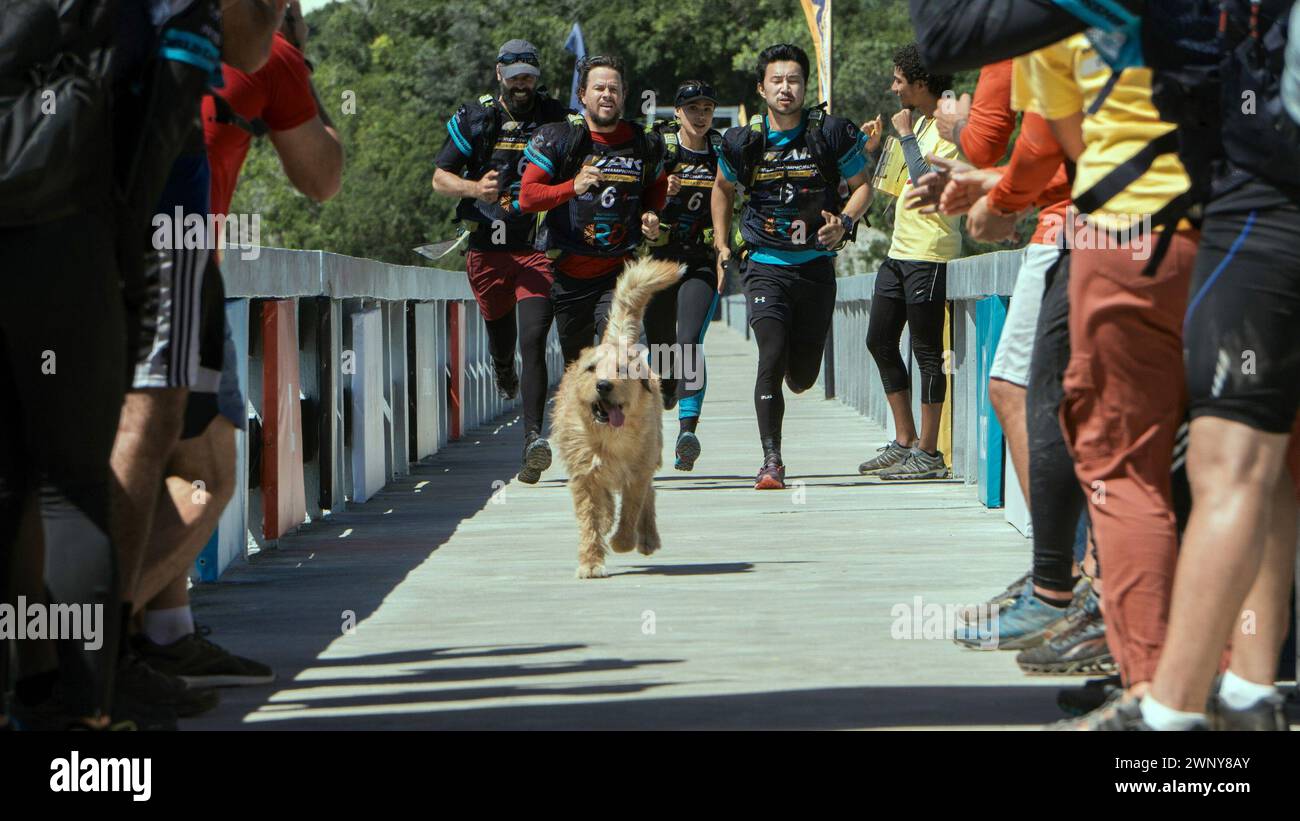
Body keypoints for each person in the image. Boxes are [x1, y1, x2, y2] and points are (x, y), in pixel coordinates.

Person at [128, 3, 343, 696]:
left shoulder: (109, 36)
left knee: (127, 468)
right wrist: (300, 60)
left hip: (74, 261)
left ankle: (166, 634)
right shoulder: (270, 54)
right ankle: (79, 651)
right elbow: (322, 177)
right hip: (179, 273)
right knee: (207, 473)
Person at [712, 44, 872, 490]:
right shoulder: (743, 140)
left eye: (794, 80)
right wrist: (722, 245)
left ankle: (794, 370)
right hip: (764, 265)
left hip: (816, 270)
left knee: (801, 377)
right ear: (762, 88)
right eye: (777, 80)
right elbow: (721, 190)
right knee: (770, 355)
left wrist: (843, 222)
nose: (786, 88)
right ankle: (771, 460)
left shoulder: (831, 134)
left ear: (805, 86)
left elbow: (863, 188)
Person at [433, 38, 570, 484]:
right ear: (499, 76)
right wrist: (475, 190)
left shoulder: (555, 117)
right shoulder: (476, 117)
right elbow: (439, 177)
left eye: (529, 77)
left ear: (538, 76)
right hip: (486, 246)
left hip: (534, 245)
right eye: (514, 79)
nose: (522, 86)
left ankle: (533, 439)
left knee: (533, 339)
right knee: (501, 334)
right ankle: (501, 366)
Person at [518, 55, 668, 364]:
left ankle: (624, 409)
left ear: (624, 94)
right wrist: (572, 187)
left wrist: (651, 213)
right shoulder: (560, 138)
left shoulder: (643, 142)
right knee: (581, 368)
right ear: (582, 95)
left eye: (613, 89)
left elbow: (658, 186)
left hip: (618, 271)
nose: (607, 95)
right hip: (568, 272)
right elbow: (528, 197)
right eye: (599, 88)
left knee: (622, 352)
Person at [857, 43, 961, 481]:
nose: (893, 86)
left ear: (921, 84)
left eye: (899, 80)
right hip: (900, 253)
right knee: (879, 340)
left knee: (928, 355)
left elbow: (929, 187)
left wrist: (903, 136)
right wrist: (874, 149)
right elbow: (895, 185)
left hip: (930, 254)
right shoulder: (917, 122)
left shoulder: (952, 124)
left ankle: (929, 452)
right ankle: (904, 441)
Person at [643, 80, 724, 471]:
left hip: (701, 261)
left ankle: (687, 432)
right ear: (677, 112)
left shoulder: (722, 150)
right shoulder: (661, 147)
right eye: (692, 108)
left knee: (688, 340)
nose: (701, 115)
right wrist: (661, 190)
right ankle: (670, 389)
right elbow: (634, 193)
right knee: (661, 349)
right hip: (660, 261)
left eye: (707, 108)